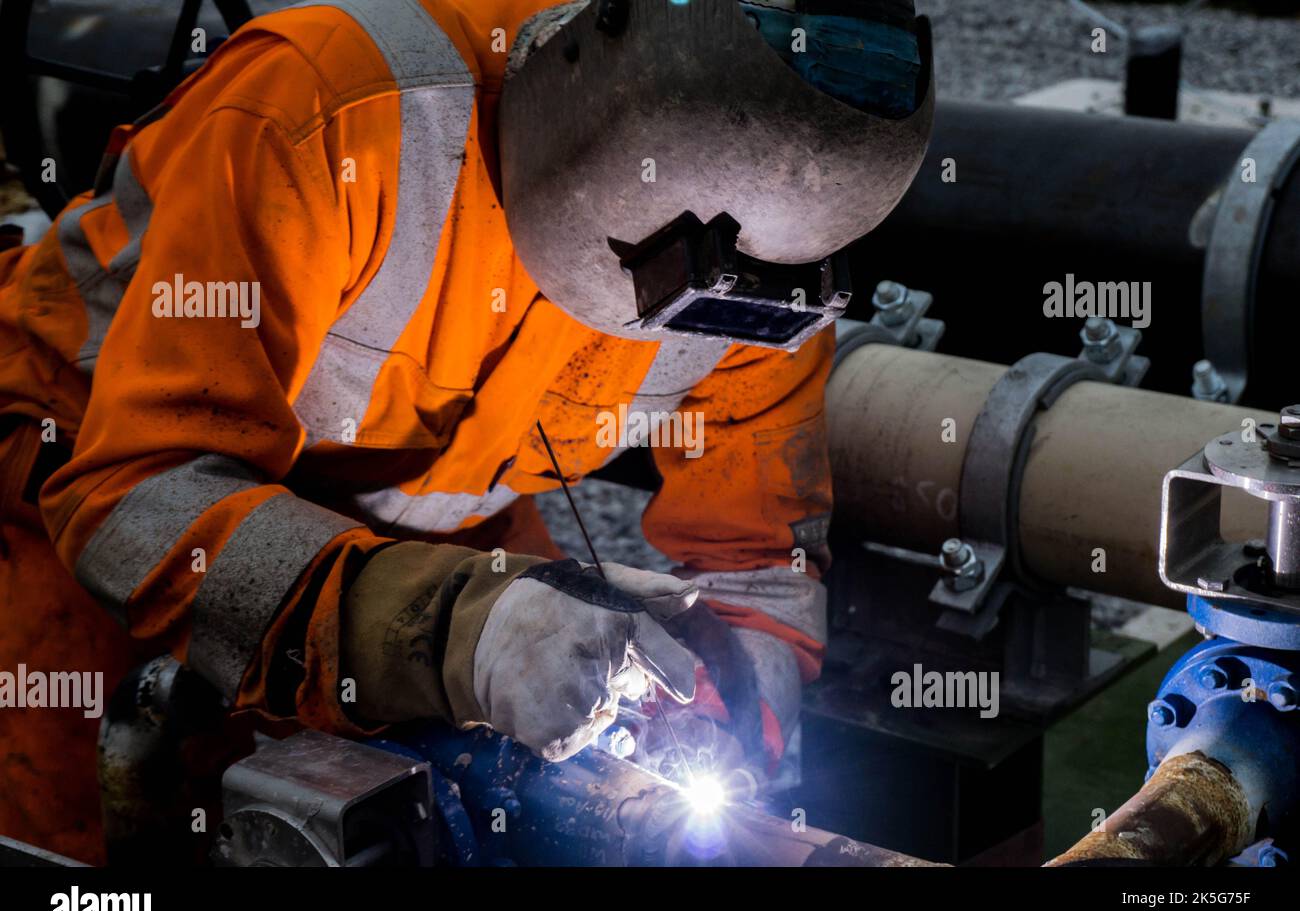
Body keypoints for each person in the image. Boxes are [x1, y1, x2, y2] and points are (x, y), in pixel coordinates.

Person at [0, 0, 931, 863]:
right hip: (88, 481)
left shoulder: (775, 275)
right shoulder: (330, 115)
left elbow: (754, 558)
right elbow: (138, 493)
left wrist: (736, 698)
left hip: (429, 523)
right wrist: (457, 630)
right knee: (101, 829)